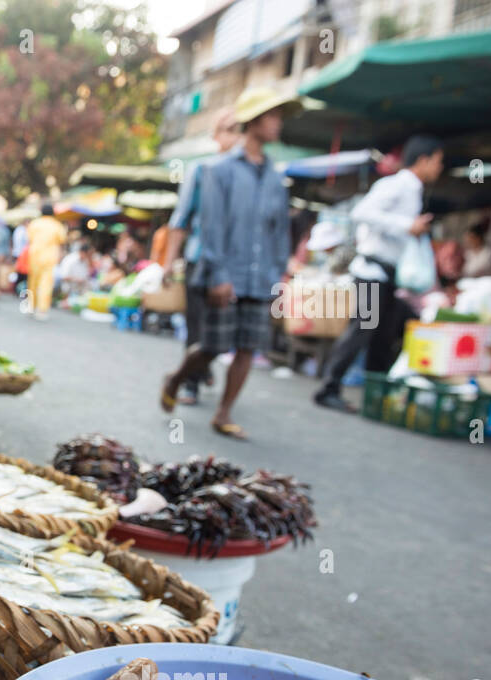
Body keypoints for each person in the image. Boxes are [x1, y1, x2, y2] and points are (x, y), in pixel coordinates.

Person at [160, 88, 295, 439]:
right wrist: (218, 274)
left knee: (249, 346)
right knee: (213, 344)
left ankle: (223, 412)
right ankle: (178, 378)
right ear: (254, 123)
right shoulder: (214, 171)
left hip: (260, 274)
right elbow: (211, 227)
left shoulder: (276, 179)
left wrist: (280, 270)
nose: (279, 124)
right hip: (223, 272)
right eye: (273, 117)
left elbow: (280, 230)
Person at [313, 135, 444, 412]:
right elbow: (362, 212)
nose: (439, 168)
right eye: (438, 161)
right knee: (361, 330)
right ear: (423, 160)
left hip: (389, 277)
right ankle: (328, 387)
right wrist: (407, 225)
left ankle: (376, 398)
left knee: (383, 335)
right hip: (371, 272)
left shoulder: (414, 190)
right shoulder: (396, 185)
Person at [163, 110, 241, 404]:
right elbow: (180, 219)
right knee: (198, 326)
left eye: (239, 129)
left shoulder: (250, 175)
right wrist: (168, 263)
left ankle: (199, 367)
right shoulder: (202, 169)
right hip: (201, 259)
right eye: (228, 129)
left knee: (226, 331)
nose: (235, 136)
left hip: (236, 264)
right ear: (216, 136)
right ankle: (190, 382)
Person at [26, 203, 66, 319]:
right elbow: (62, 240)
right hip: (49, 257)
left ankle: (30, 307)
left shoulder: (34, 224)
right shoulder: (57, 225)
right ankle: (42, 310)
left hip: (34, 256)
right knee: (46, 284)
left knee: (32, 282)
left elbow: (29, 238)